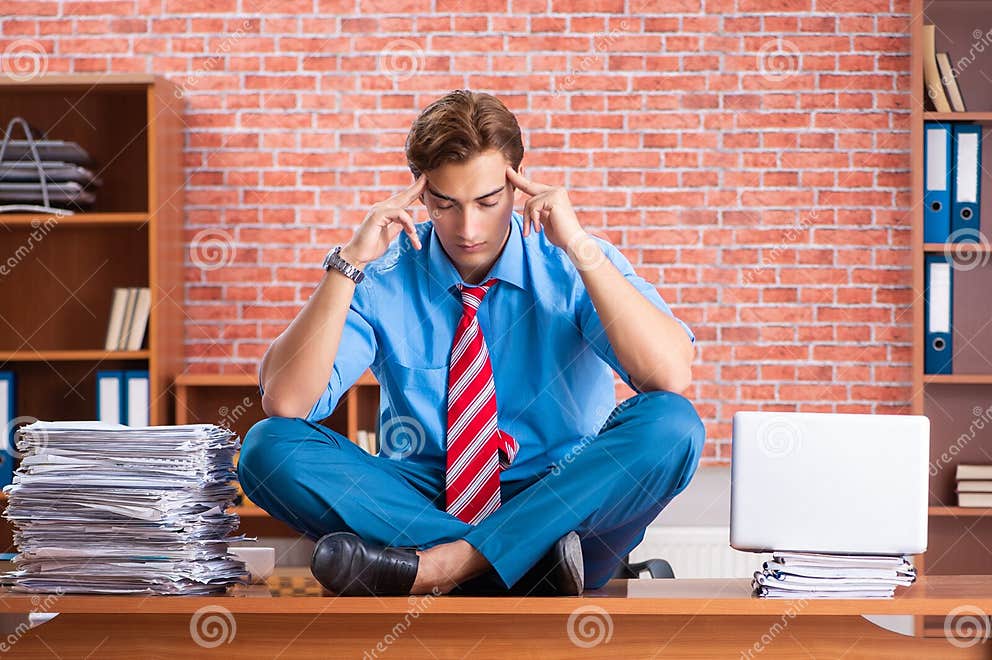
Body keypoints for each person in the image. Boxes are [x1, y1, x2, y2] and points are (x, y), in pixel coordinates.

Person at [237, 89, 705, 597]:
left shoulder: (572, 263)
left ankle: (446, 568)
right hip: (424, 505)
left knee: (672, 424)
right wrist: (347, 264)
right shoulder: (383, 279)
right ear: (420, 195)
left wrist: (579, 246)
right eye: (446, 204)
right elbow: (287, 402)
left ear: (517, 186)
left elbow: (669, 375)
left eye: (487, 202)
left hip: (563, 499)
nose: (468, 228)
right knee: (268, 448)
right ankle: (520, 566)